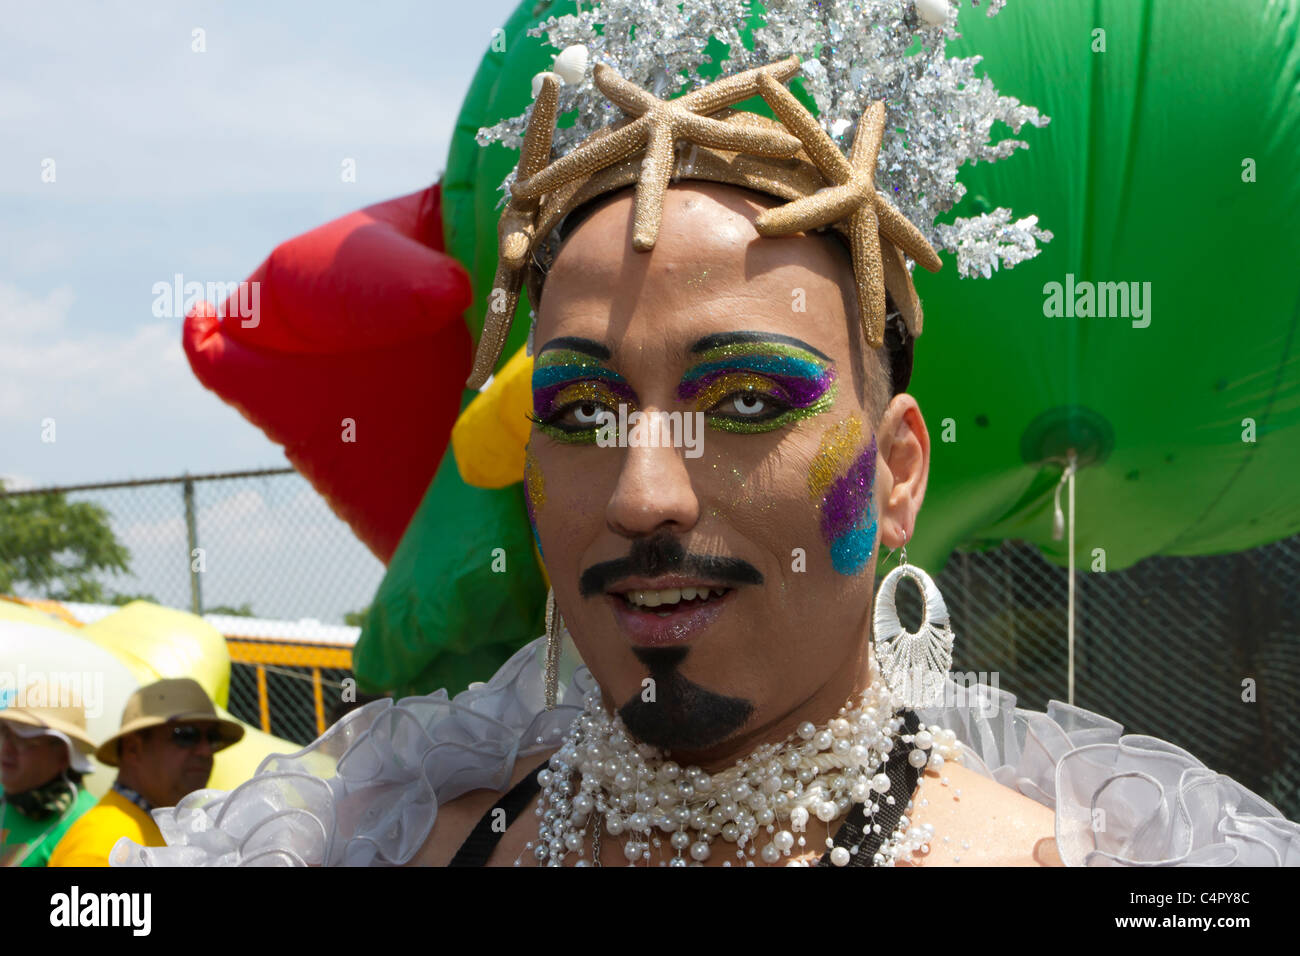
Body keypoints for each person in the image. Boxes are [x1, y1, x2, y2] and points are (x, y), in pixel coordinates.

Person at [116, 1, 1300, 867]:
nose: (644, 496)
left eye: (742, 401)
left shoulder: (1095, 864)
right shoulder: (365, 846)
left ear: (896, 472)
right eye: (580, 411)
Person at [49, 678, 242, 867]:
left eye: (212, 738)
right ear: (133, 749)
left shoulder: (155, 832)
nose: (205, 751)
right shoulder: (103, 845)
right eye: (186, 735)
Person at [0, 687, 98, 867]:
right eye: (5, 733)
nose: (6, 748)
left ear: (65, 754)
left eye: (24, 739)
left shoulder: (90, 824)